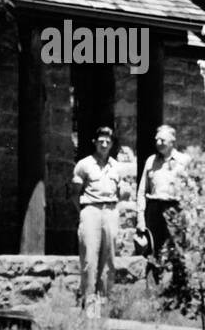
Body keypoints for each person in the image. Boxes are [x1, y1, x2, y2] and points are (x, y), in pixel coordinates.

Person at [69, 126, 126, 317]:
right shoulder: (84, 165)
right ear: (94, 142)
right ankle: (89, 302)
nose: (104, 144)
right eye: (100, 140)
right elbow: (74, 194)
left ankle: (105, 301)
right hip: (91, 210)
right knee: (89, 258)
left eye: (107, 141)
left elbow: (120, 192)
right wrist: (85, 212)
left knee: (109, 259)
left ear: (112, 144)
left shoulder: (116, 166)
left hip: (110, 210)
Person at [137, 125, 190, 298]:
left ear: (173, 141)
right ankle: (152, 294)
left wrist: (189, 215)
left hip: (175, 208)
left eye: (163, 140)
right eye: (157, 140)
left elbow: (192, 189)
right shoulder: (151, 161)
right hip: (154, 209)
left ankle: (179, 296)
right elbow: (141, 191)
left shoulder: (184, 161)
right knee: (153, 251)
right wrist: (140, 217)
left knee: (177, 251)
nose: (159, 143)